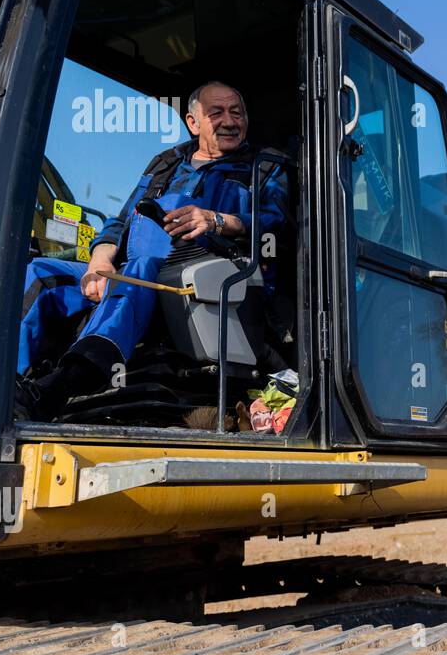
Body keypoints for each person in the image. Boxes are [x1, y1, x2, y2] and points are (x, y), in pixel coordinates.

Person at [16, 81, 288, 421]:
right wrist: (99, 261)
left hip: (201, 281)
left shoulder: (264, 167)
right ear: (193, 122)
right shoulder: (165, 163)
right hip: (130, 270)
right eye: (216, 113)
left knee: (141, 269)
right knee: (40, 272)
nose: (229, 121)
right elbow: (119, 222)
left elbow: (274, 223)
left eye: (237, 112)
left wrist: (217, 220)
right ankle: (11, 386)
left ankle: (72, 378)